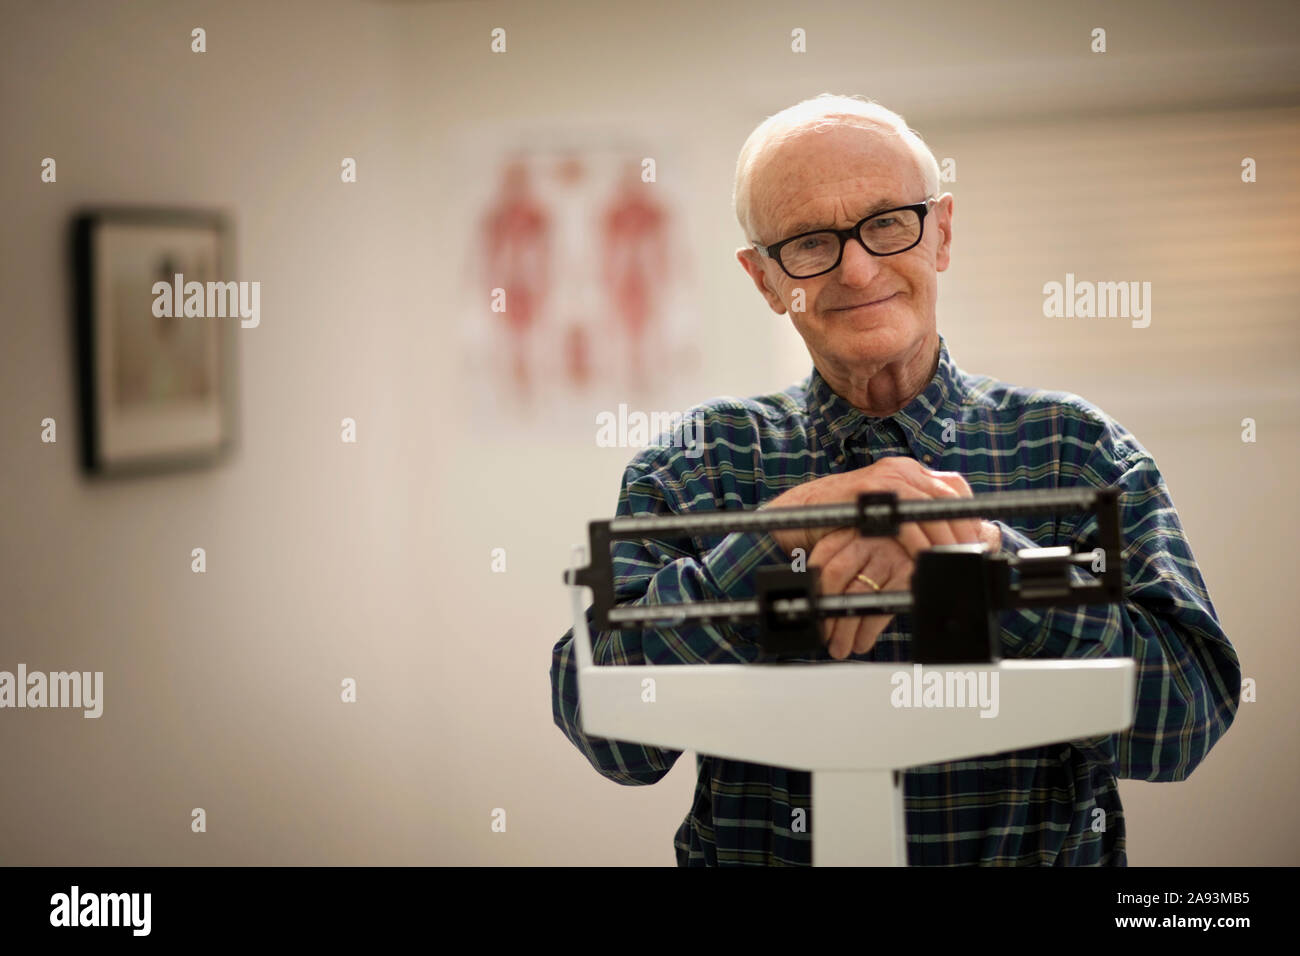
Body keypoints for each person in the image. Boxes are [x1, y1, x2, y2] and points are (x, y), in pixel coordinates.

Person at [550, 93, 1240, 866]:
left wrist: (985, 560)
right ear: (766, 280)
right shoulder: (693, 462)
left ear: (940, 232)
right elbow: (607, 733)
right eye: (810, 242)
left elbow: (1188, 721)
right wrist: (774, 537)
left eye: (886, 223)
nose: (856, 266)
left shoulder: (1074, 449)